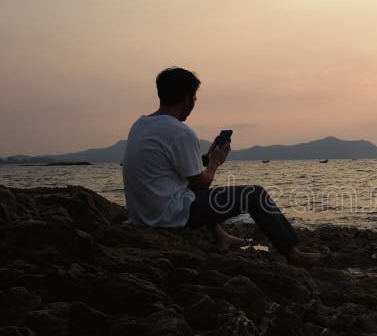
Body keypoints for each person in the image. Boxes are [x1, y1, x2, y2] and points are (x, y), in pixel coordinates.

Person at [122, 67, 327, 267]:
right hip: (168, 215)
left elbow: (173, 167)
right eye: (194, 98)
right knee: (255, 195)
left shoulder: (141, 125)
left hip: (141, 214)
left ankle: (221, 236)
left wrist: (207, 159)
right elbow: (201, 184)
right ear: (187, 98)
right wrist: (214, 163)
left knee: (192, 192)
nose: (193, 104)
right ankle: (294, 254)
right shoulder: (180, 132)